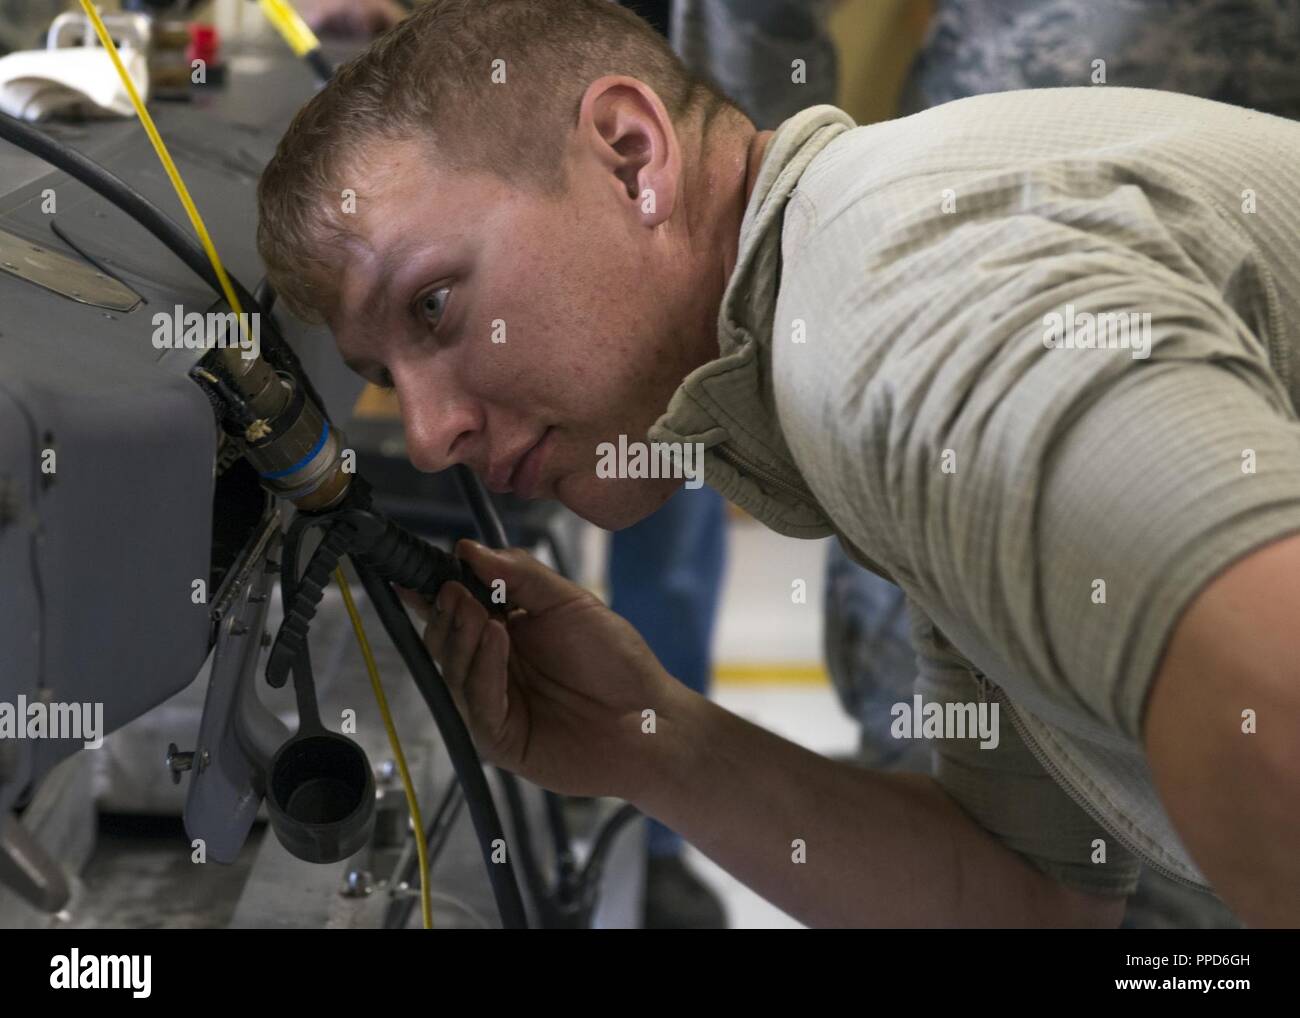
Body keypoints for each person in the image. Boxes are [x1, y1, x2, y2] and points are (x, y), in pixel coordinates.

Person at [256, 0, 1300, 926]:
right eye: (381, 369)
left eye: (435, 304)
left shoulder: (895, 311)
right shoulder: (838, 305)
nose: (430, 434)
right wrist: (651, 738)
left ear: (631, 155)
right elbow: (1037, 898)